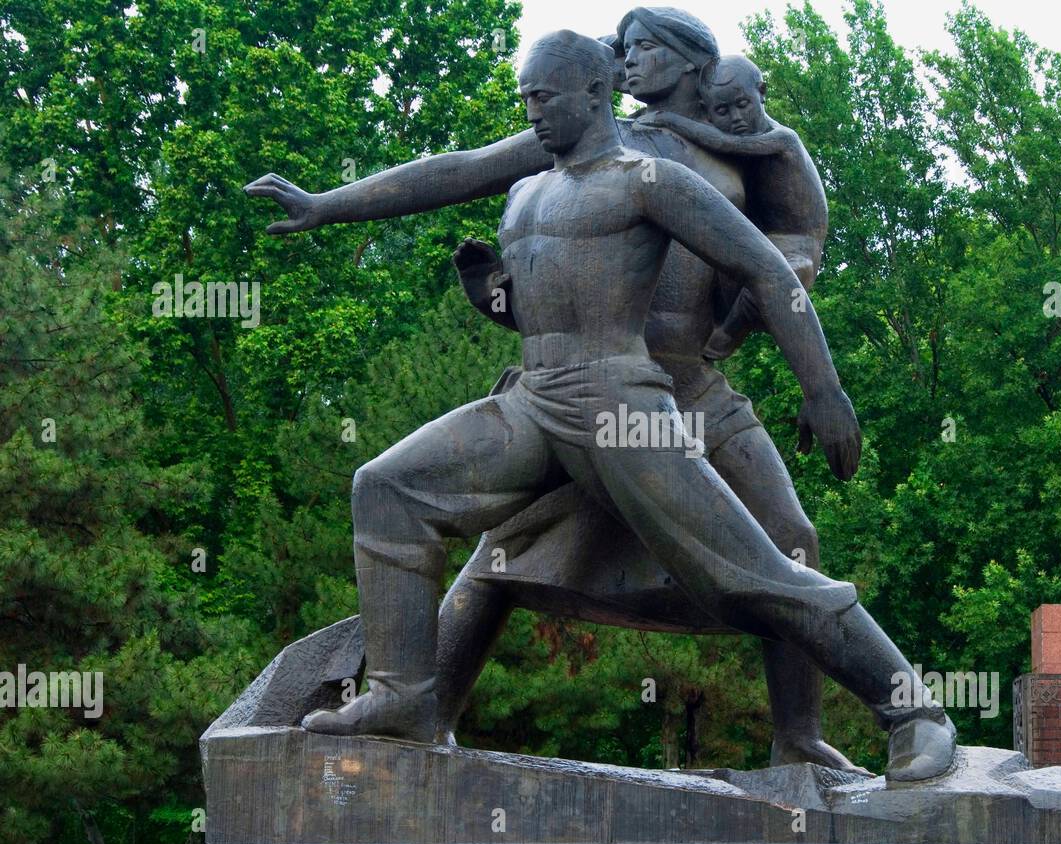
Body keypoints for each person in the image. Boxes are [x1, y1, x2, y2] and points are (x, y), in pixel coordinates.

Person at [252, 30, 956, 781]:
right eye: (525, 100)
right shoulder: (532, 182)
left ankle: (913, 711)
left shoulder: (648, 177)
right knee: (386, 488)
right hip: (533, 398)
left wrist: (826, 390)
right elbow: (449, 170)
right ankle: (403, 699)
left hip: (618, 402)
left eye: (543, 99)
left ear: (593, 94)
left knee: (755, 571)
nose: (531, 114)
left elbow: (765, 266)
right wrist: (326, 206)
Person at [637, 53, 827, 358]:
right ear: (707, 111)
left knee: (776, 279)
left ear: (761, 93)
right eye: (722, 111)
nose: (736, 118)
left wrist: (670, 120)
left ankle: (729, 333)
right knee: (725, 263)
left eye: (743, 105)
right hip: (757, 237)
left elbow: (727, 144)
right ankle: (712, 323)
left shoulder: (781, 139)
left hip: (796, 245)